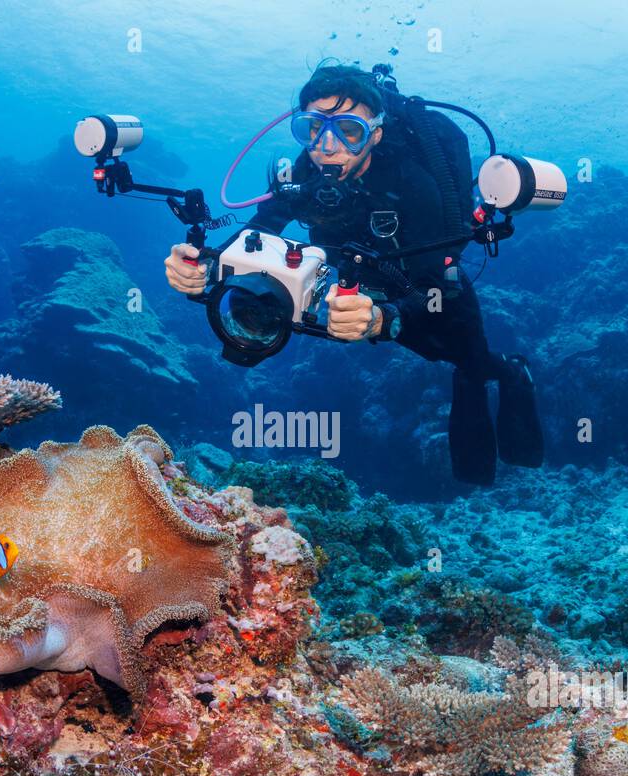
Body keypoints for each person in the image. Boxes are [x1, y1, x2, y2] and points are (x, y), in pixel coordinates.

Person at [163, 63, 543, 485]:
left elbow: (440, 277)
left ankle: (512, 373)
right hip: (356, 295)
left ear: (375, 134)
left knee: (467, 363)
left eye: (348, 130)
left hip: (426, 289)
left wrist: (385, 318)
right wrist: (207, 263)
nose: (327, 147)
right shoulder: (304, 173)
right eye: (312, 128)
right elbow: (260, 230)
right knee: (438, 354)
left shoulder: (412, 181)